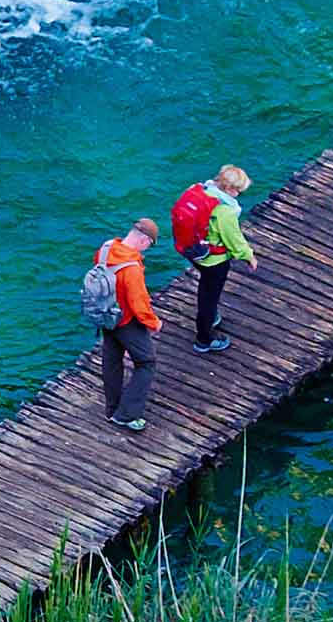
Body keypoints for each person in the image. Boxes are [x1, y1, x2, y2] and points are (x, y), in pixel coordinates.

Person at [171, 164, 259, 351]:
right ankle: (204, 339)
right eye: (238, 191)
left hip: (193, 252)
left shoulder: (199, 190)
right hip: (214, 261)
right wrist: (249, 256)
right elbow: (234, 241)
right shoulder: (224, 211)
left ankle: (212, 317)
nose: (239, 195)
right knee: (208, 298)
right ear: (228, 188)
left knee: (206, 289)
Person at [90, 217, 161, 431]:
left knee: (112, 361)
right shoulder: (131, 268)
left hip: (104, 313)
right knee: (146, 362)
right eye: (149, 244)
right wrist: (154, 322)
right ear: (144, 240)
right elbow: (138, 304)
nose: (146, 249)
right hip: (125, 320)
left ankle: (112, 409)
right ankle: (127, 414)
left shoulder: (106, 248)